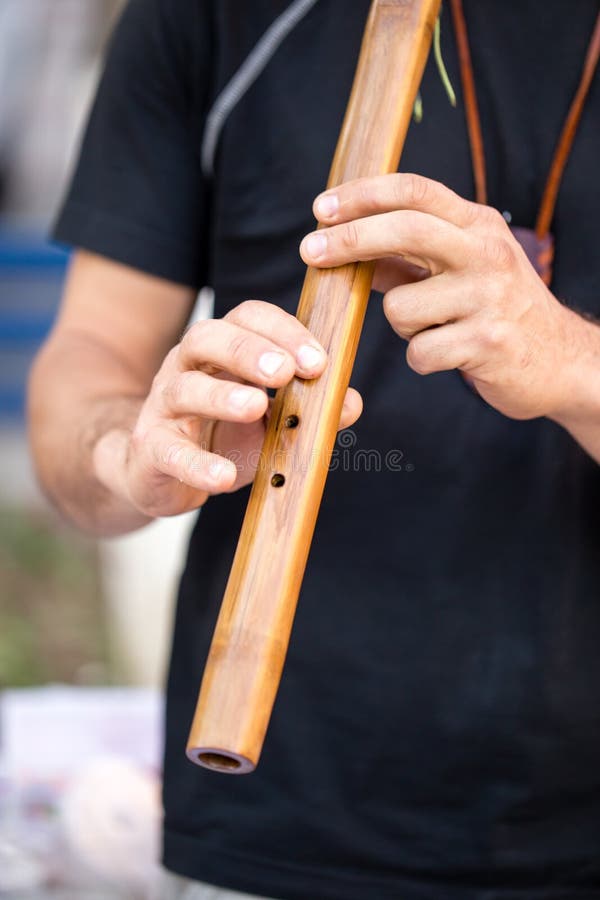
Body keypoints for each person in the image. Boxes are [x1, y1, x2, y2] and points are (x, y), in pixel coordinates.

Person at [28, 0, 600, 897]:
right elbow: (89, 363)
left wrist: (572, 364)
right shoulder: (209, 18)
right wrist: (129, 456)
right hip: (279, 824)